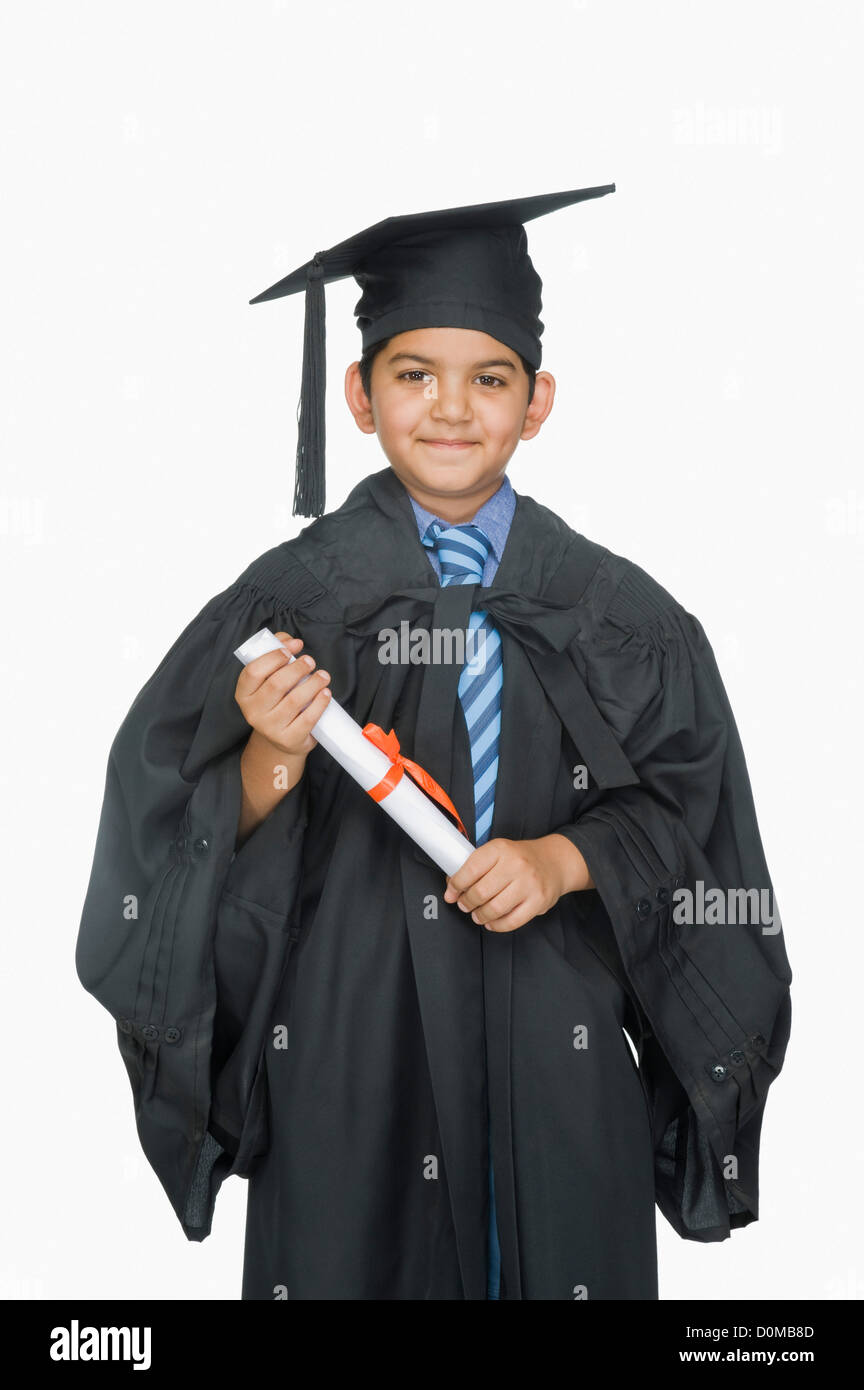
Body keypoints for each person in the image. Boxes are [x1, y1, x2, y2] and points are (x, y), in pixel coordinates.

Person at [75, 187, 792, 1300]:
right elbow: (164, 825)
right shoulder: (292, 599)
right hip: (349, 1051)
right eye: (414, 375)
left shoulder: (619, 613)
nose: (451, 409)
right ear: (360, 397)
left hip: (561, 1049)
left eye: (489, 378)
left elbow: (702, 839)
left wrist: (566, 860)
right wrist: (270, 753)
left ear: (538, 401)